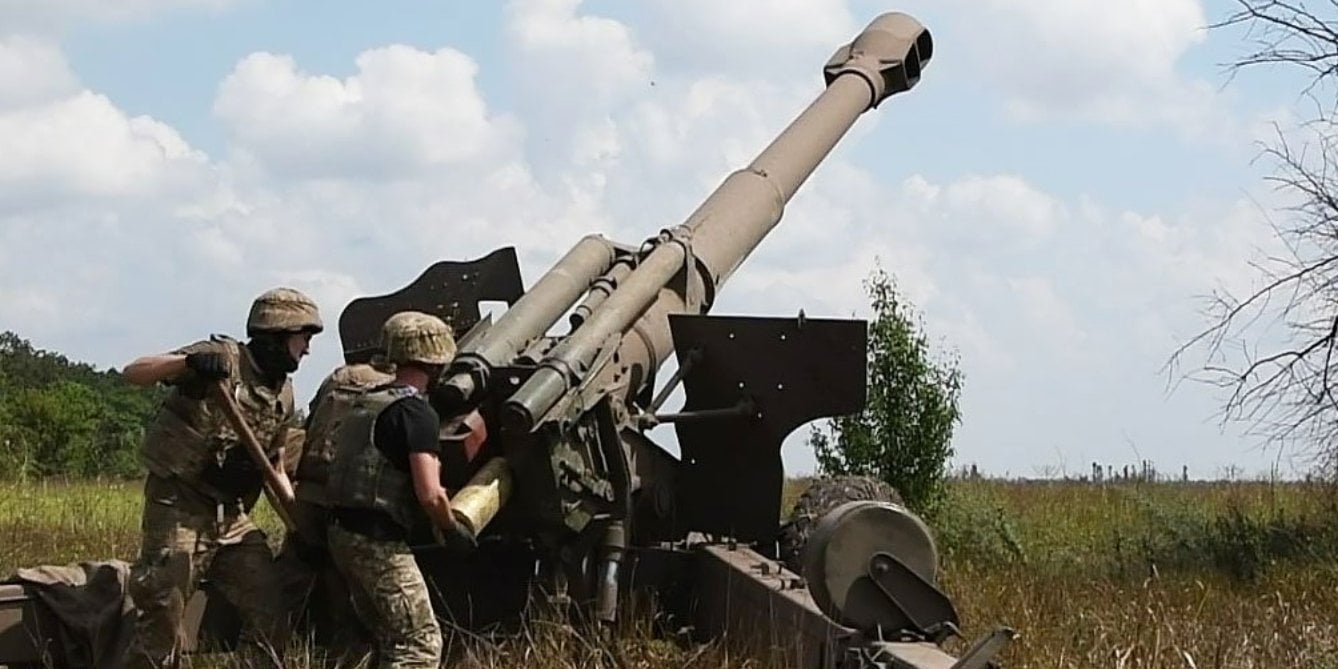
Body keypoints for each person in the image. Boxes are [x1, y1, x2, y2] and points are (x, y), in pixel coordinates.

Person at [121, 287, 323, 669]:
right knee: (162, 617)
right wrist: (189, 364)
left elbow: (274, 468)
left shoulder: (284, 395)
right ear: (279, 333)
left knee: (274, 608)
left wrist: (299, 527)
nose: (308, 350)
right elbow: (134, 373)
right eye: (304, 339)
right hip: (180, 507)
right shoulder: (224, 360)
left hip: (232, 519)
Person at [324, 311, 474, 669]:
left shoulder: (367, 401)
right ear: (437, 361)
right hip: (378, 542)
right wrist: (452, 529)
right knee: (419, 644)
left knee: (385, 638)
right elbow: (430, 494)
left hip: (342, 534)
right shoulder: (416, 413)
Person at [274, 359, 393, 653]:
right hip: (355, 502)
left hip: (310, 494)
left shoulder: (340, 376)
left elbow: (311, 424)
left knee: (292, 583)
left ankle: (271, 647)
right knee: (350, 594)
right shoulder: (394, 390)